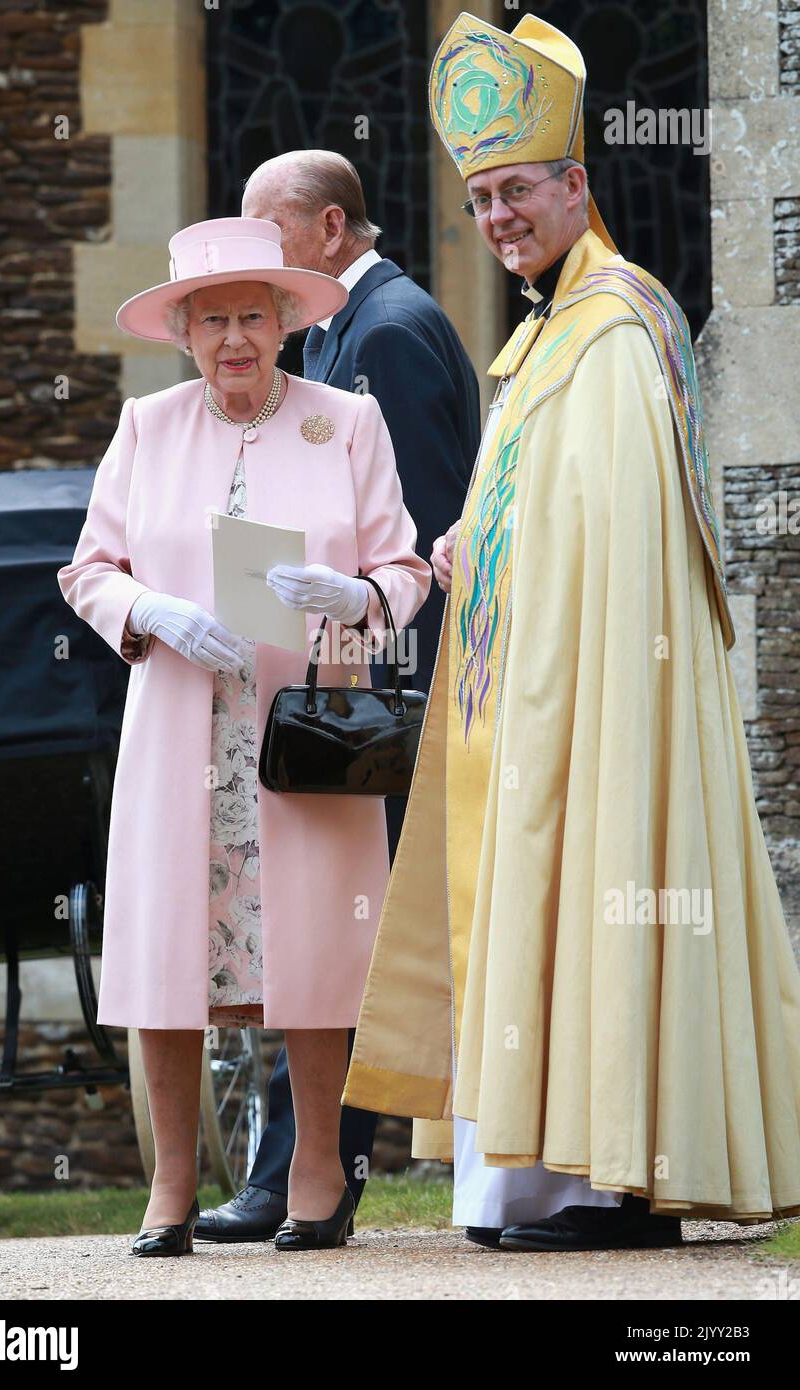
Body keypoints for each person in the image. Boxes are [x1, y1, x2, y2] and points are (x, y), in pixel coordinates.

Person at [342, 12, 800, 1251]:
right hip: (528, 684)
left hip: (597, 688)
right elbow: (532, 508)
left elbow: (626, 537)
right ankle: (534, 1179)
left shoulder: (616, 324)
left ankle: (610, 1176)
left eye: (517, 191)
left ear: (577, 184)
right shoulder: (542, 332)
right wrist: (463, 545)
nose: (496, 217)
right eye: (480, 196)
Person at [57, 216, 430, 1254]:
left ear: (283, 322)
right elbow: (88, 569)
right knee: (168, 958)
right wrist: (150, 612)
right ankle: (170, 1187)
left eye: (251, 315)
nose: (233, 336)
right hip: (182, 726)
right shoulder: (147, 425)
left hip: (303, 729)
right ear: (183, 331)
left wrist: (350, 590)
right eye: (211, 318)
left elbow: (407, 571)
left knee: (315, 955)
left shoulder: (346, 422)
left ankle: (318, 1173)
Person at [195, 151, 481, 1243]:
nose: (257, 269)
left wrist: (363, 676)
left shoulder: (390, 333)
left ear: (326, 228)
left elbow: (421, 537)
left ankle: (303, 1178)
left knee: (344, 939)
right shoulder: (345, 333)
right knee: (334, 938)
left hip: (379, 701)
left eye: (268, 238)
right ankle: (308, 1174)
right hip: (339, 686)